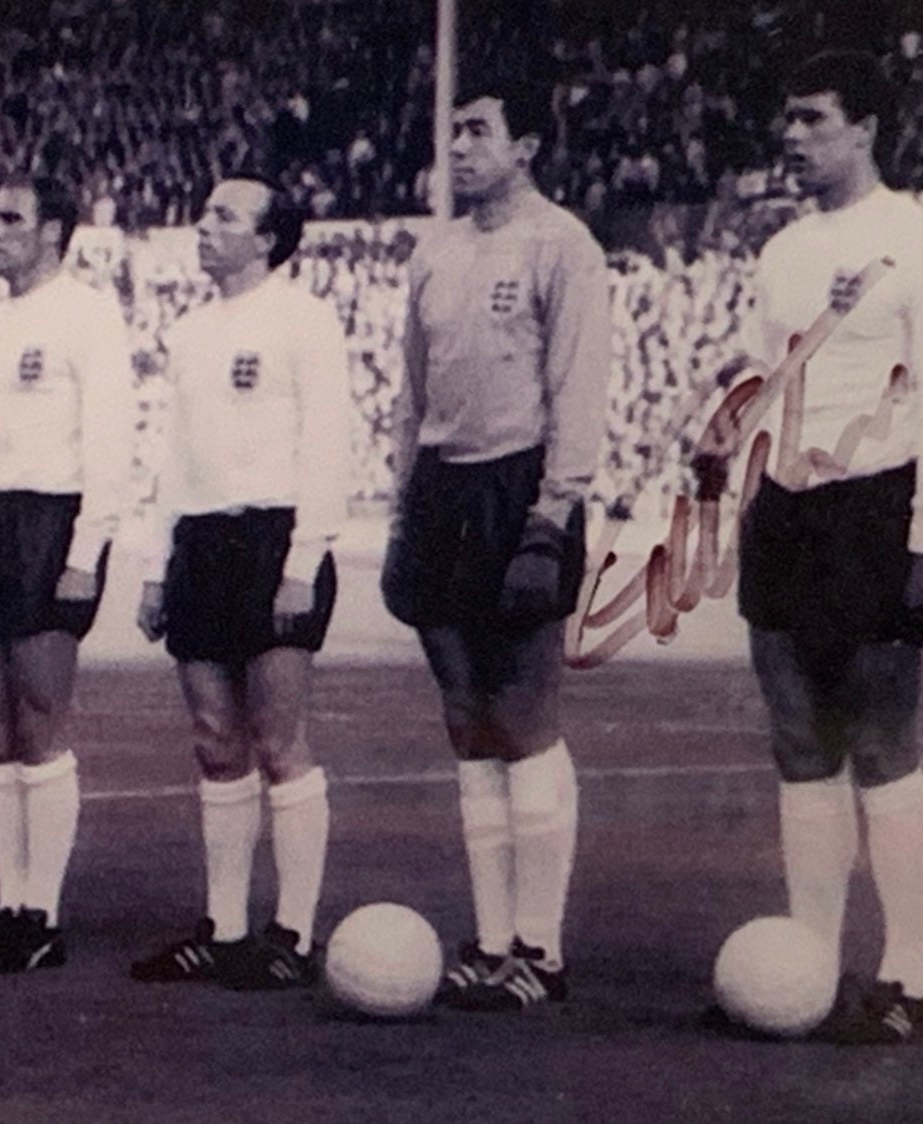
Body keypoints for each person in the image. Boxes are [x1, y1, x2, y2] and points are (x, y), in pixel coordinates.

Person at [733, 51, 923, 1043]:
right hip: (785, 505)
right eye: (786, 119)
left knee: (880, 745)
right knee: (799, 744)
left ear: (865, 127)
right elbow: (759, 376)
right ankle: (809, 968)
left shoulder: (921, 244)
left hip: (878, 505)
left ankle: (904, 977)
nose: (792, 136)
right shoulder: (783, 248)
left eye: (812, 117)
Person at [380, 77, 611, 1013]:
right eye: (454, 132)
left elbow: (578, 384)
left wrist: (554, 514)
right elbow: (410, 393)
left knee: (524, 714)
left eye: (480, 130)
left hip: (519, 487)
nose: (461, 147)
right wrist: (402, 511)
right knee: (467, 721)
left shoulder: (563, 245)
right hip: (440, 489)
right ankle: (489, 942)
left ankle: (541, 952)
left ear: (526, 149)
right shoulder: (434, 255)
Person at [128, 175, 348, 989]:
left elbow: (326, 443)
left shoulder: (305, 319)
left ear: (267, 238)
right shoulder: (190, 332)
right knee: (215, 740)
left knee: (279, 742)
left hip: (274, 538)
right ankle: (222, 929)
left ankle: (291, 931)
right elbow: (175, 458)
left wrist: (303, 563)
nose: (205, 224)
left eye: (225, 215)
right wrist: (157, 568)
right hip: (201, 541)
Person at [0, 175, 134, 974]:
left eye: (11, 218)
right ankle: (7, 903)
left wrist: (87, 551)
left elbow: (109, 437)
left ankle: (41, 914)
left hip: (51, 522)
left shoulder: (88, 313)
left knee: (40, 717)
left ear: (54, 231)